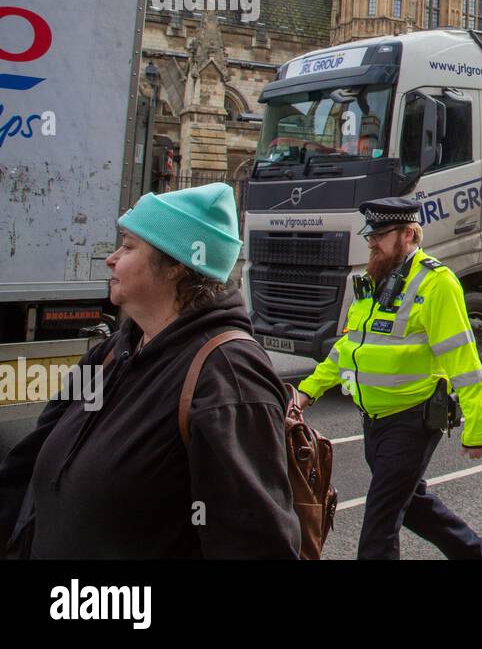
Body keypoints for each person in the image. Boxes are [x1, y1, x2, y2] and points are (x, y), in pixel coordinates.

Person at [0, 184, 299, 558]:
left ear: (175, 265)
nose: (111, 259)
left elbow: (255, 542)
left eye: (127, 246)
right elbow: (30, 461)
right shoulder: (111, 353)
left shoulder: (227, 374)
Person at [293, 197, 482, 559]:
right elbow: (348, 348)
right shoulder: (375, 279)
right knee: (411, 502)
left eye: (381, 234)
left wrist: (477, 429)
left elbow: (463, 359)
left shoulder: (437, 284)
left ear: (407, 234)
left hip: (413, 420)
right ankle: (476, 553)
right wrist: (307, 392)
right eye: (371, 234)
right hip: (374, 421)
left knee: (380, 520)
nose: (371, 242)